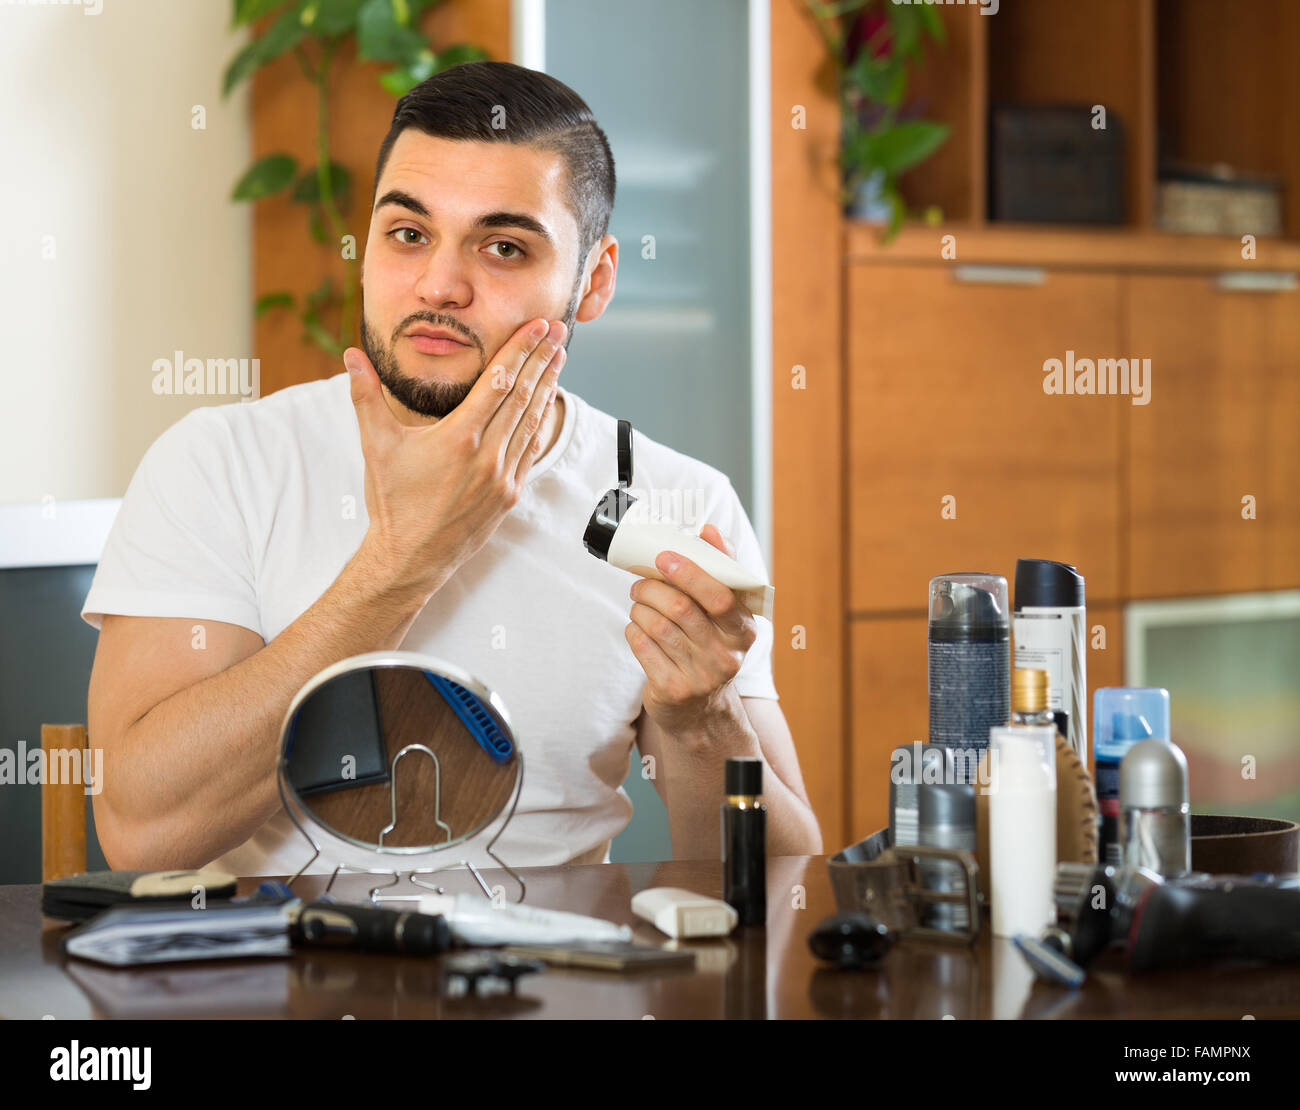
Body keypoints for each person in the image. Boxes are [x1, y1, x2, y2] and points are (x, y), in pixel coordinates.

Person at [82, 60, 821, 876]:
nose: (440, 284)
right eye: (408, 234)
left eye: (503, 247)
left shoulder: (676, 504)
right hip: (278, 987)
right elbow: (140, 833)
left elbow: (785, 884)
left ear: (595, 279)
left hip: (556, 989)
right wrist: (405, 560)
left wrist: (702, 720)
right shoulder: (222, 463)